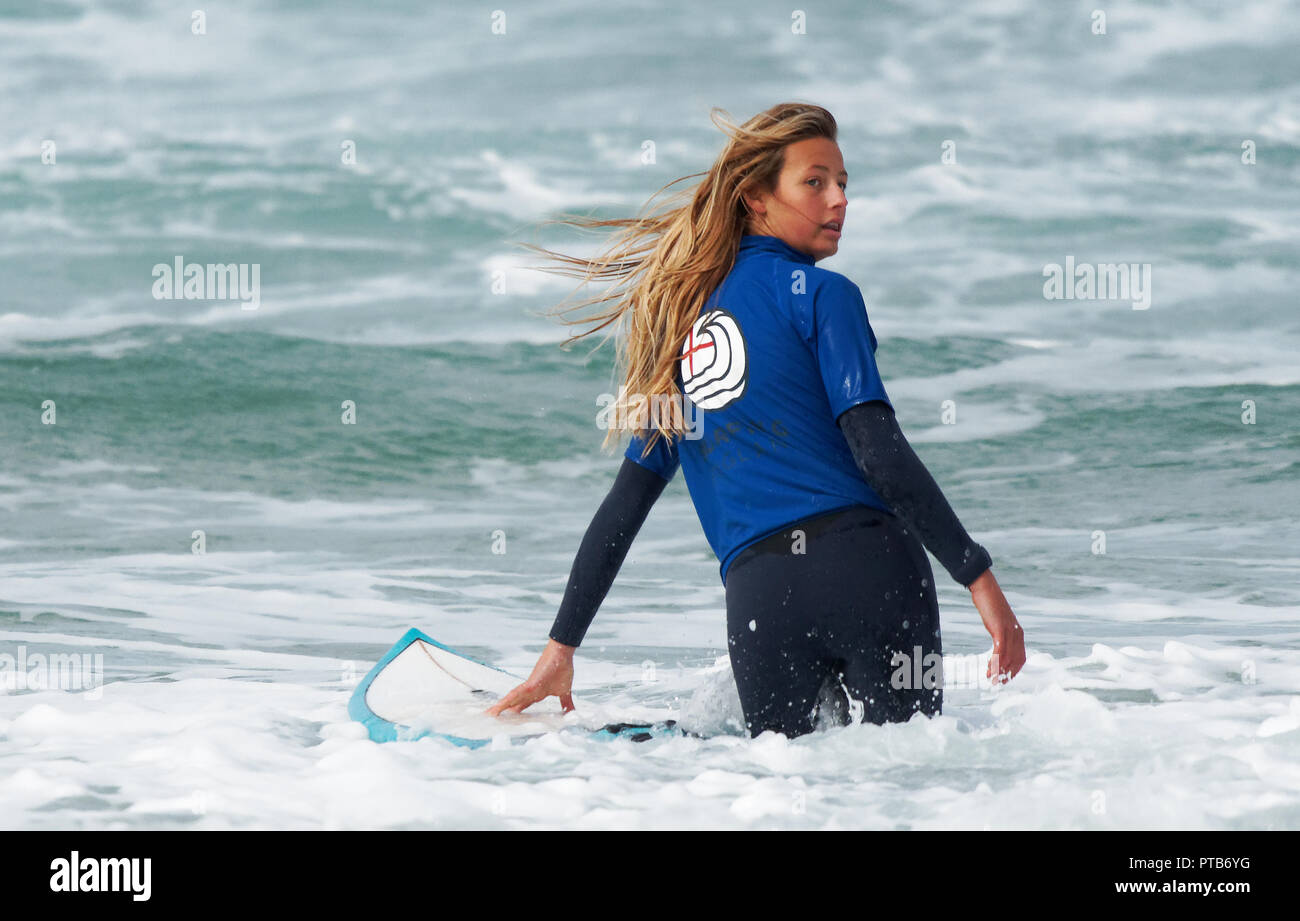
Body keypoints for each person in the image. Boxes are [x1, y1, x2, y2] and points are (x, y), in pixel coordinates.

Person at [486, 102, 1025, 738]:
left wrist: (561, 648)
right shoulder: (828, 296)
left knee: (780, 793)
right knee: (907, 780)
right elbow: (878, 452)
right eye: (815, 181)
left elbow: (625, 504)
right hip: (871, 570)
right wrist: (979, 578)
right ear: (755, 199)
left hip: (761, 598)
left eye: (844, 184)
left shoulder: (678, 334)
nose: (839, 201)